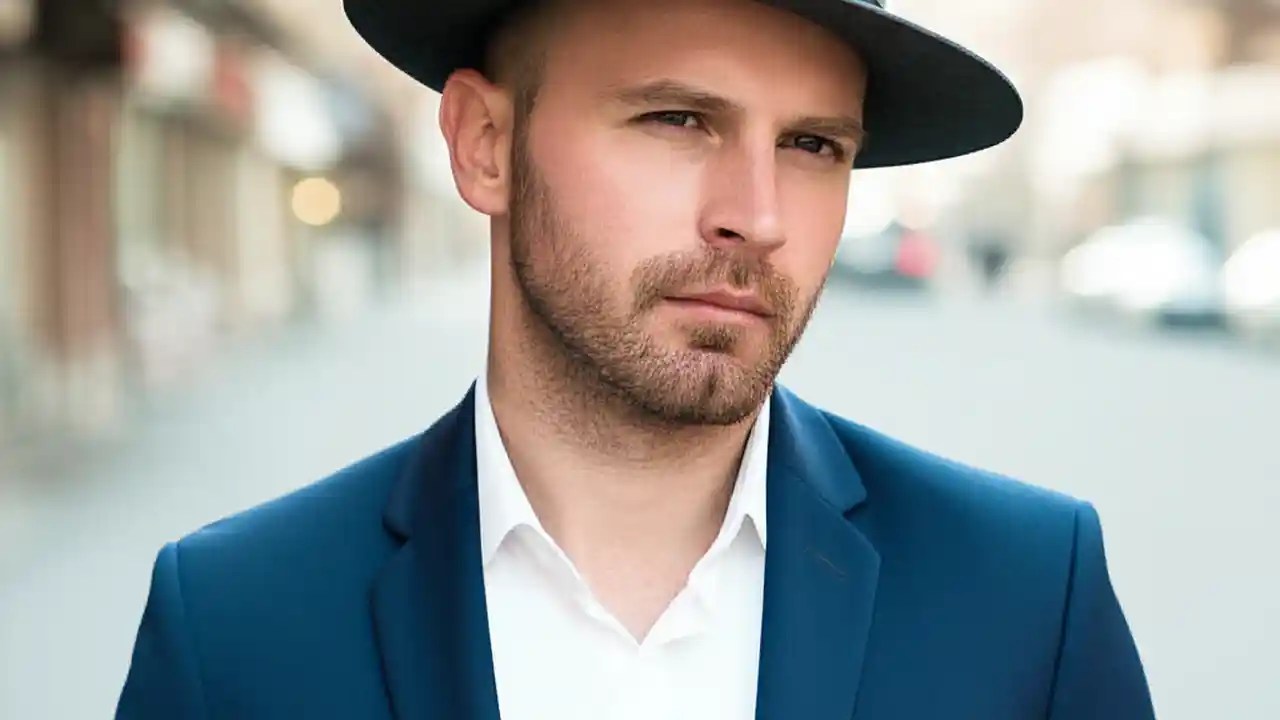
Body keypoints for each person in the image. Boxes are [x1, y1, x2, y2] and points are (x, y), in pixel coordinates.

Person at [116, 0, 1155, 717]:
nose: (754, 216)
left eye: (812, 147)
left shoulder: (1022, 596)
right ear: (482, 143)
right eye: (676, 118)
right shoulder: (236, 624)